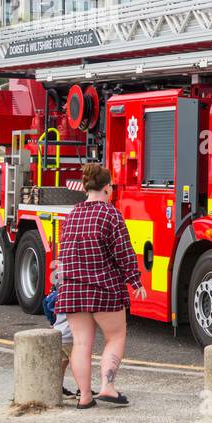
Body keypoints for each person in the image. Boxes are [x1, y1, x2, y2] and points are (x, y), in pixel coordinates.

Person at [55, 162, 146, 409]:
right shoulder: (110, 214)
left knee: (81, 344)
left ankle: (84, 396)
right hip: (104, 288)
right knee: (115, 336)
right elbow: (124, 252)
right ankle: (107, 386)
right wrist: (135, 281)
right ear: (108, 187)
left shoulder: (72, 214)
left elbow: (64, 253)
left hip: (73, 289)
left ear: (86, 187)